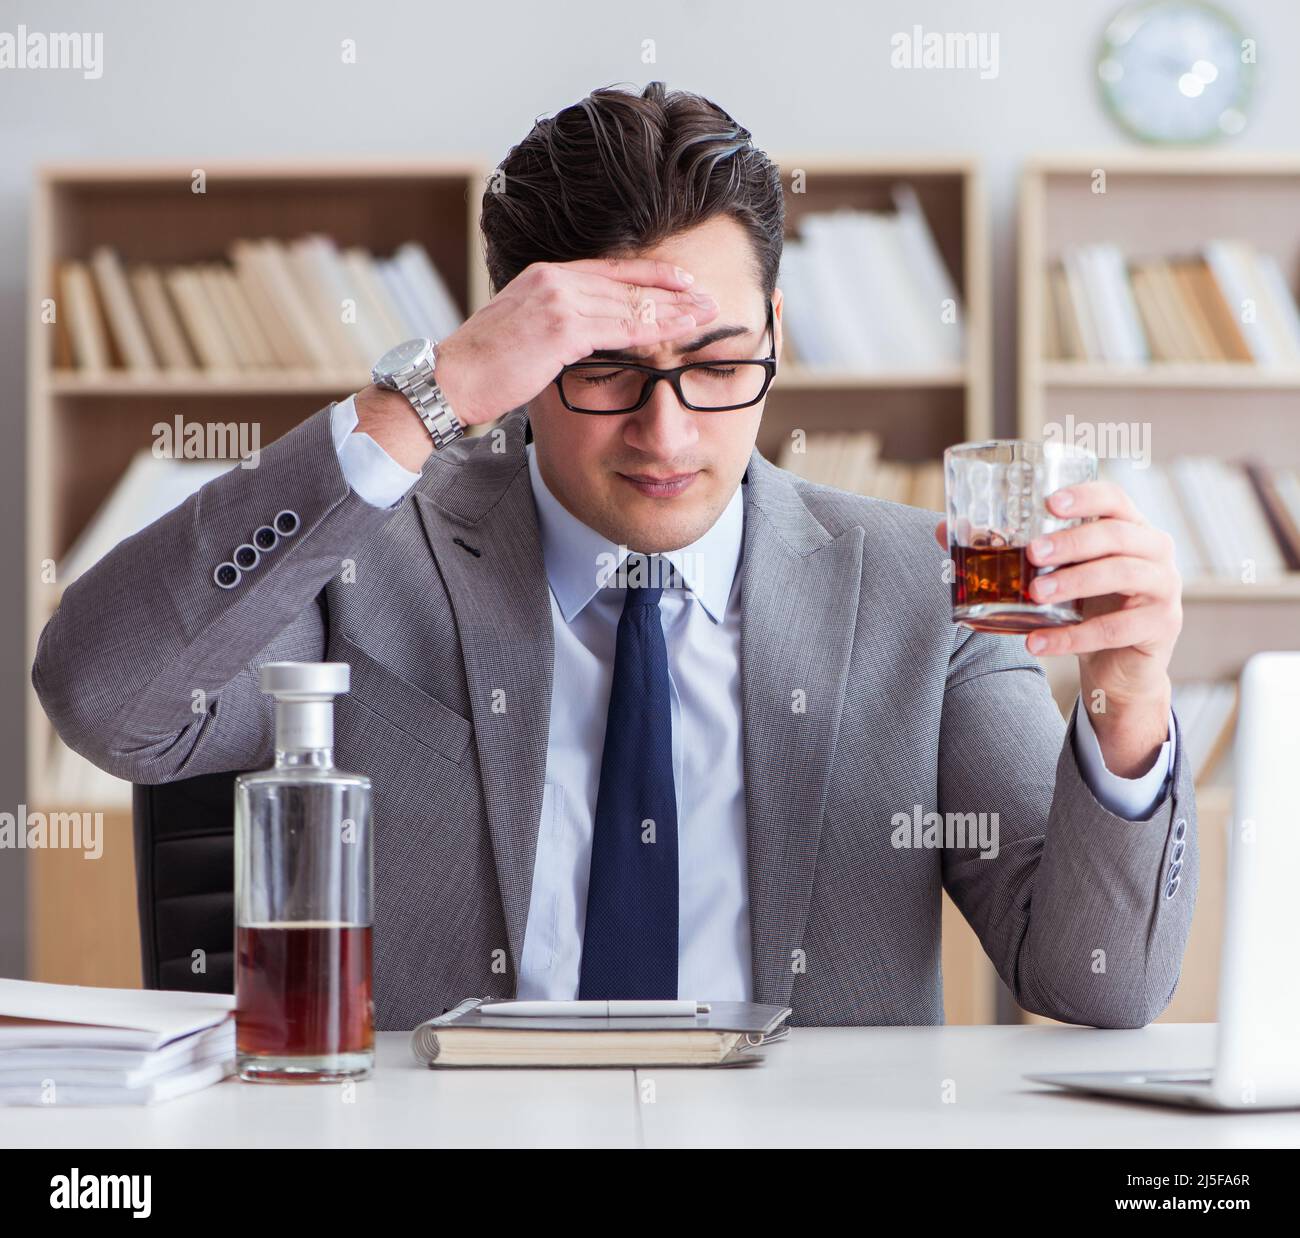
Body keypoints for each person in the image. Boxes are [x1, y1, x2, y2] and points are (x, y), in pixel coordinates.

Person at [33, 81, 1194, 1030]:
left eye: (718, 361)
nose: (667, 432)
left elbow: (1097, 980)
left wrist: (1131, 699)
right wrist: (423, 403)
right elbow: (106, 698)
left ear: (778, 334)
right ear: (518, 353)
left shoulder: (912, 590)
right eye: (601, 367)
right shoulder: (371, 558)